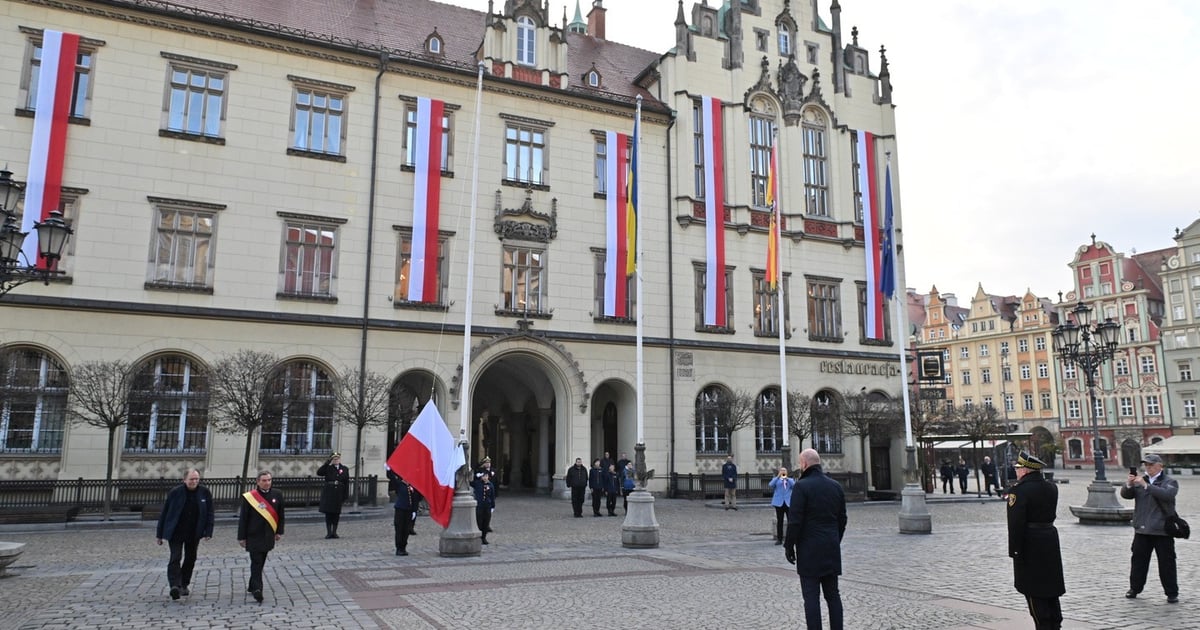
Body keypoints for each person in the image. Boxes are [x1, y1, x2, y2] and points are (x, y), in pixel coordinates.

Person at [784, 449, 846, 630]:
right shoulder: (835, 486)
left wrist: (789, 546)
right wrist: (835, 538)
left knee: (811, 597)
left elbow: (795, 521)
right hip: (831, 547)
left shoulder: (801, 487)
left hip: (809, 549)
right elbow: (842, 519)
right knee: (833, 595)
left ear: (804, 464)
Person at [1006, 451, 1064, 630]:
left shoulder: (1019, 491)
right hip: (1050, 540)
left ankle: (1043, 625)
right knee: (1050, 588)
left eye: (1018, 468)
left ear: (1025, 470)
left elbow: (1015, 524)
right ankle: (1055, 623)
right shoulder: (1051, 487)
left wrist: (1015, 551)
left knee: (1033, 589)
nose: (1016, 471)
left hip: (1030, 543)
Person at [1119, 453, 1179, 603]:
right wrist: (1129, 484)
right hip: (1142, 529)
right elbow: (1126, 495)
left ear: (1160, 466)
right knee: (1138, 561)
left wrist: (1146, 486)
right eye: (1146, 465)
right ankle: (1135, 588)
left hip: (1162, 530)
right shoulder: (1140, 481)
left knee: (1167, 563)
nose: (1148, 468)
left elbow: (1167, 495)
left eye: (1151, 465)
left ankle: (1171, 592)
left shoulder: (1170, 481)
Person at [156, 468, 214, 600]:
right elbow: (165, 513)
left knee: (190, 558)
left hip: (194, 532)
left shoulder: (204, 492)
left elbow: (210, 513)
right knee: (175, 557)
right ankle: (174, 585)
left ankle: (184, 584)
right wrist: (159, 534)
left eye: (196, 479)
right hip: (176, 531)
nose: (194, 482)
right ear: (184, 480)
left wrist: (208, 531)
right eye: (191, 479)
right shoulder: (175, 492)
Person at [238, 471, 284, 603]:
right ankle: (258, 589)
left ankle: (252, 585)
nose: (267, 483)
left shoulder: (277, 494)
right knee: (256, 561)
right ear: (258, 482)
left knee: (261, 560)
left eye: (269, 480)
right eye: (264, 480)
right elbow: (244, 518)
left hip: (268, 534)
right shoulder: (250, 497)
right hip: (253, 535)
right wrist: (242, 537)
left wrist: (279, 531)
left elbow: (281, 514)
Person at [317, 453, 349, 539]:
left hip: (339, 493)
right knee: (329, 513)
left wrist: (345, 496)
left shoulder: (344, 469)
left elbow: (346, 483)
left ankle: (334, 532)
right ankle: (329, 532)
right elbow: (319, 472)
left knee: (336, 513)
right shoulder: (328, 468)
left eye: (337, 458)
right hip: (329, 493)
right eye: (334, 459)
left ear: (340, 459)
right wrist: (327, 463)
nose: (336, 460)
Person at [768, 466, 793, 545]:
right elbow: (770, 485)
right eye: (781, 471)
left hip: (788, 503)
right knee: (780, 521)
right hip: (779, 503)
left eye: (784, 470)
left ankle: (791, 538)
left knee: (790, 521)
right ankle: (779, 538)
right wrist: (778, 476)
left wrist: (787, 478)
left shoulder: (790, 480)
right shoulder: (776, 480)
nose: (783, 472)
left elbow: (794, 485)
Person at [393, 475, 416, 556]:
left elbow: (414, 499)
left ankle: (403, 547)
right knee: (399, 529)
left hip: (408, 510)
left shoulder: (411, 486)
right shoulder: (399, 484)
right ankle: (399, 548)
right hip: (400, 510)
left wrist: (414, 510)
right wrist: (389, 470)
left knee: (406, 530)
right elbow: (392, 480)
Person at [472, 469, 495, 544]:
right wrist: (476, 476)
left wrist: (492, 506)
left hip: (487, 506)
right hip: (479, 506)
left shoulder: (490, 485)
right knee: (479, 522)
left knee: (486, 522)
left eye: (486, 476)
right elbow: (470, 482)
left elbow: (492, 496)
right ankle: (478, 537)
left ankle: (483, 537)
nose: (485, 478)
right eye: (483, 476)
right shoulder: (478, 484)